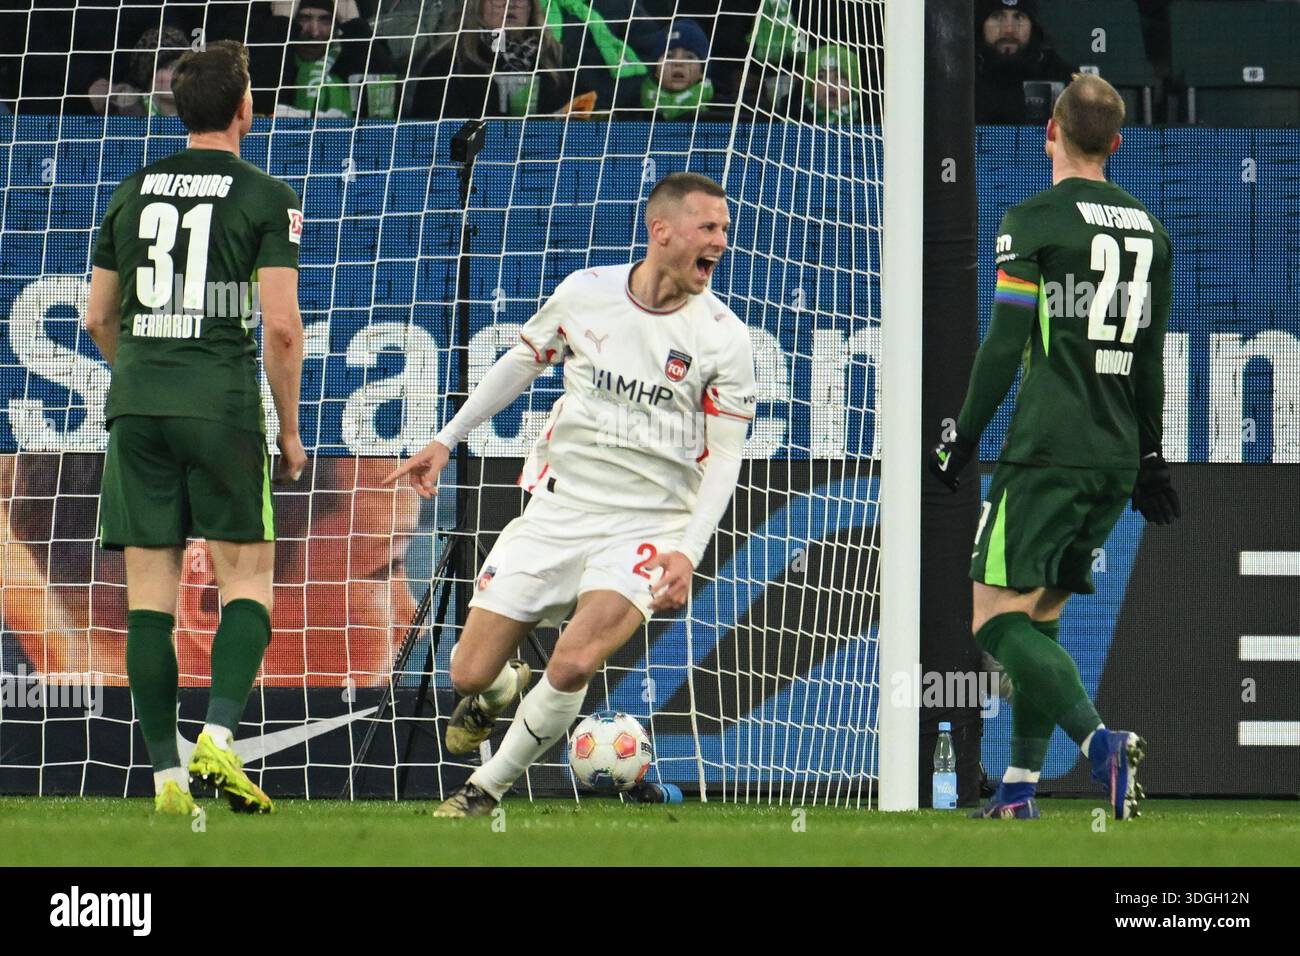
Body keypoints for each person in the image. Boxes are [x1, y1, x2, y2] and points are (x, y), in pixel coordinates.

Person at [386, 171, 756, 818]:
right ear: (660, 230)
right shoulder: (586, 294)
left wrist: (688, 551)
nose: (721, 242)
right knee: (468, 674)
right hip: (559, 508)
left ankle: (483, 790)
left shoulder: (725, 336)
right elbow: (523, 361)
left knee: (575, 659)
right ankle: (499, 688)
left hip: (649, 524)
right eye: (709, 228)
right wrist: (445, 440)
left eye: (725, 230)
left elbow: (724, 458)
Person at [930, 74, 1177, 821]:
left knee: (992, 619)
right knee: (1039, 615)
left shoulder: (1033, 220)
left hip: (1047, 449)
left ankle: (1102, 745)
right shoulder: (1151, 232)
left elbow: (1007, 341)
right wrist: (1151, 456)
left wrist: (963, 436)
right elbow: (1150, 357)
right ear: (1118, 144)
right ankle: (1019, 788)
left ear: (1051, 132)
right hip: (1113, 453)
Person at [84, 40, 308, 816]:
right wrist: (289, 428)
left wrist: (142, 376)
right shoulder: (265, 194)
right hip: (219, 405)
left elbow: (96, 317)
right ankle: (216, 736)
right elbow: (280, 328)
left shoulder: (130, 188)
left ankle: (166, 781)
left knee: (150, 595)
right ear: (244, 108)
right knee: (247, 577)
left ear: (180, 110)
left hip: (138, 403)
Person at [405, 0, 574, 119]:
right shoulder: (446, 65)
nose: (511, 3)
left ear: (531, 7)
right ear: (478, 5)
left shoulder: (555, 61)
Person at [261, 0, 400, 119]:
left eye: (325, 20)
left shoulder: (357, 55)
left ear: (338, 23)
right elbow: (260, 105)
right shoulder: (270, 58)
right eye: (303, 19)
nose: (314, 32)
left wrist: (353, 23)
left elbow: (384, 96)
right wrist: (280, 23)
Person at [975, 0, 1074, 124]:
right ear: (982, 24)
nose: (1009, 29)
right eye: (997, 17)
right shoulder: (962, 75)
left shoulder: (1058, 74)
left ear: (1032, 25)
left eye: (1019, 17)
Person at [633, 19, 715, 120]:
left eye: (689, 57)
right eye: (669, 56)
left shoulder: (719, 110)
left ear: (702, 72)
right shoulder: (633, 111)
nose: (678, 63)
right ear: (656, 70)